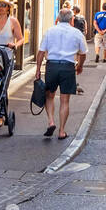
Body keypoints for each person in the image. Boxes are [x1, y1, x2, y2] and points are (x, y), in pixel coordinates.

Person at [36, 8, 87, 140]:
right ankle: (62, 131)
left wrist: (37, 71)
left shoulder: (50, 31)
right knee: (65, 100)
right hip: (68, 67)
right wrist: (80, 66)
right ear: (72, 20)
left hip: (52, 66)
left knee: (49, 96)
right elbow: (83, 53)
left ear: (57, 19)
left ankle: (51, 121)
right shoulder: (77, 33)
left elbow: (41, 52)